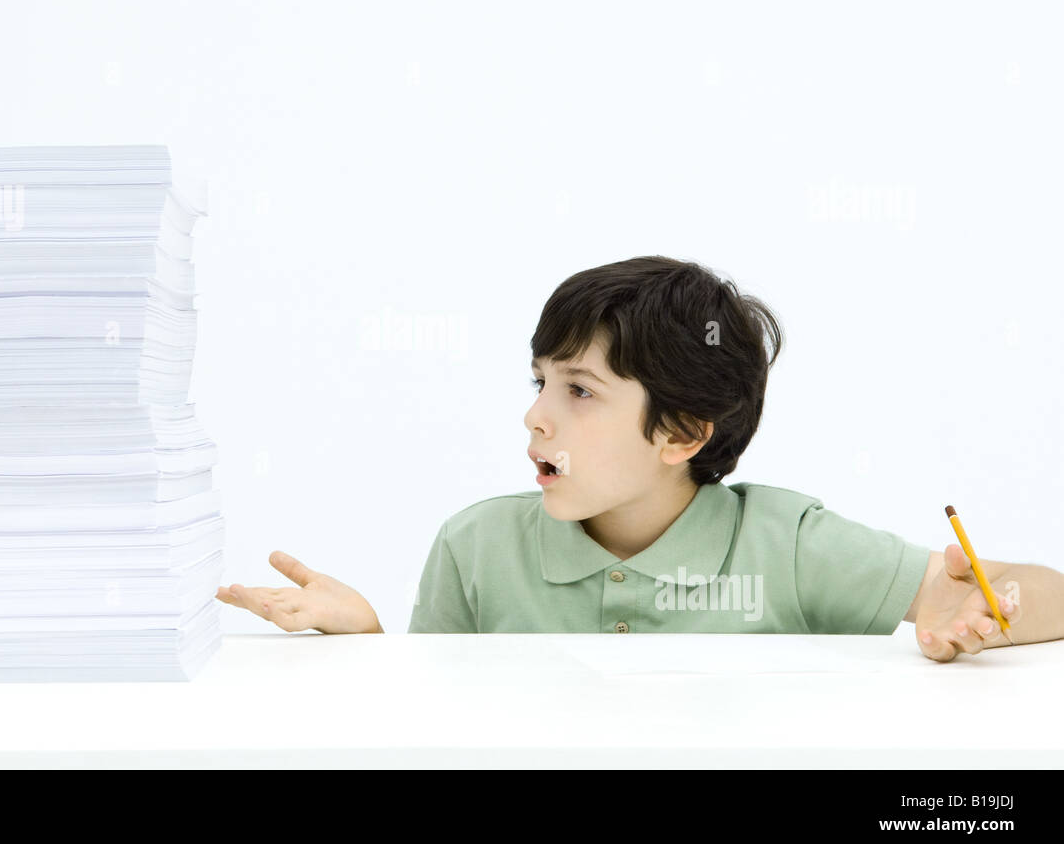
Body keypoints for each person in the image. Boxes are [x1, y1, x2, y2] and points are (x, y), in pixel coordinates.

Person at [216, 256, 1055, 662]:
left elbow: (1028, 599)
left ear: (682, 434)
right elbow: (433, 730)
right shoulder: (475, 549)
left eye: (578, 391)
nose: (534, 415)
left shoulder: (789, 542)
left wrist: (980, 608)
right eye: (540, 380)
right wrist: (367, 648)